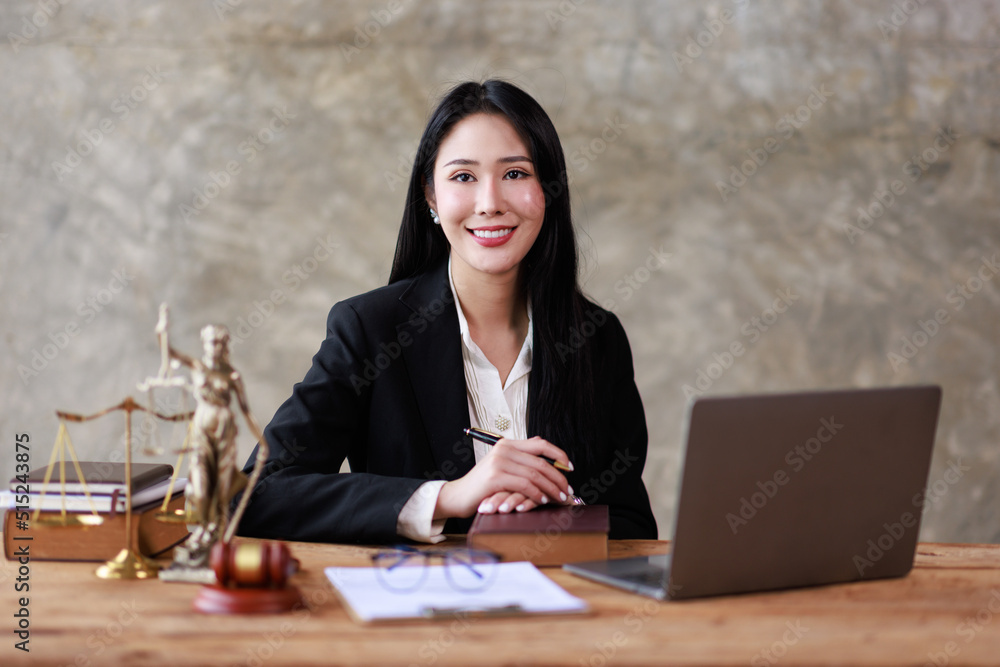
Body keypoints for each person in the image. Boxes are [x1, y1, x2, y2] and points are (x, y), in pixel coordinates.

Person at [237, 80, 656, 544]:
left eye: (516, 174)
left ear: (549, 190)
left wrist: (556, 514)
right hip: (419, 608)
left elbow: (633, 525)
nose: (490, 203)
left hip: (561, 612)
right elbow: (254, 495)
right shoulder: (370, 331)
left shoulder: (598, 338)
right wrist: (449, 496)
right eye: (463, 177)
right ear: (431, 198)